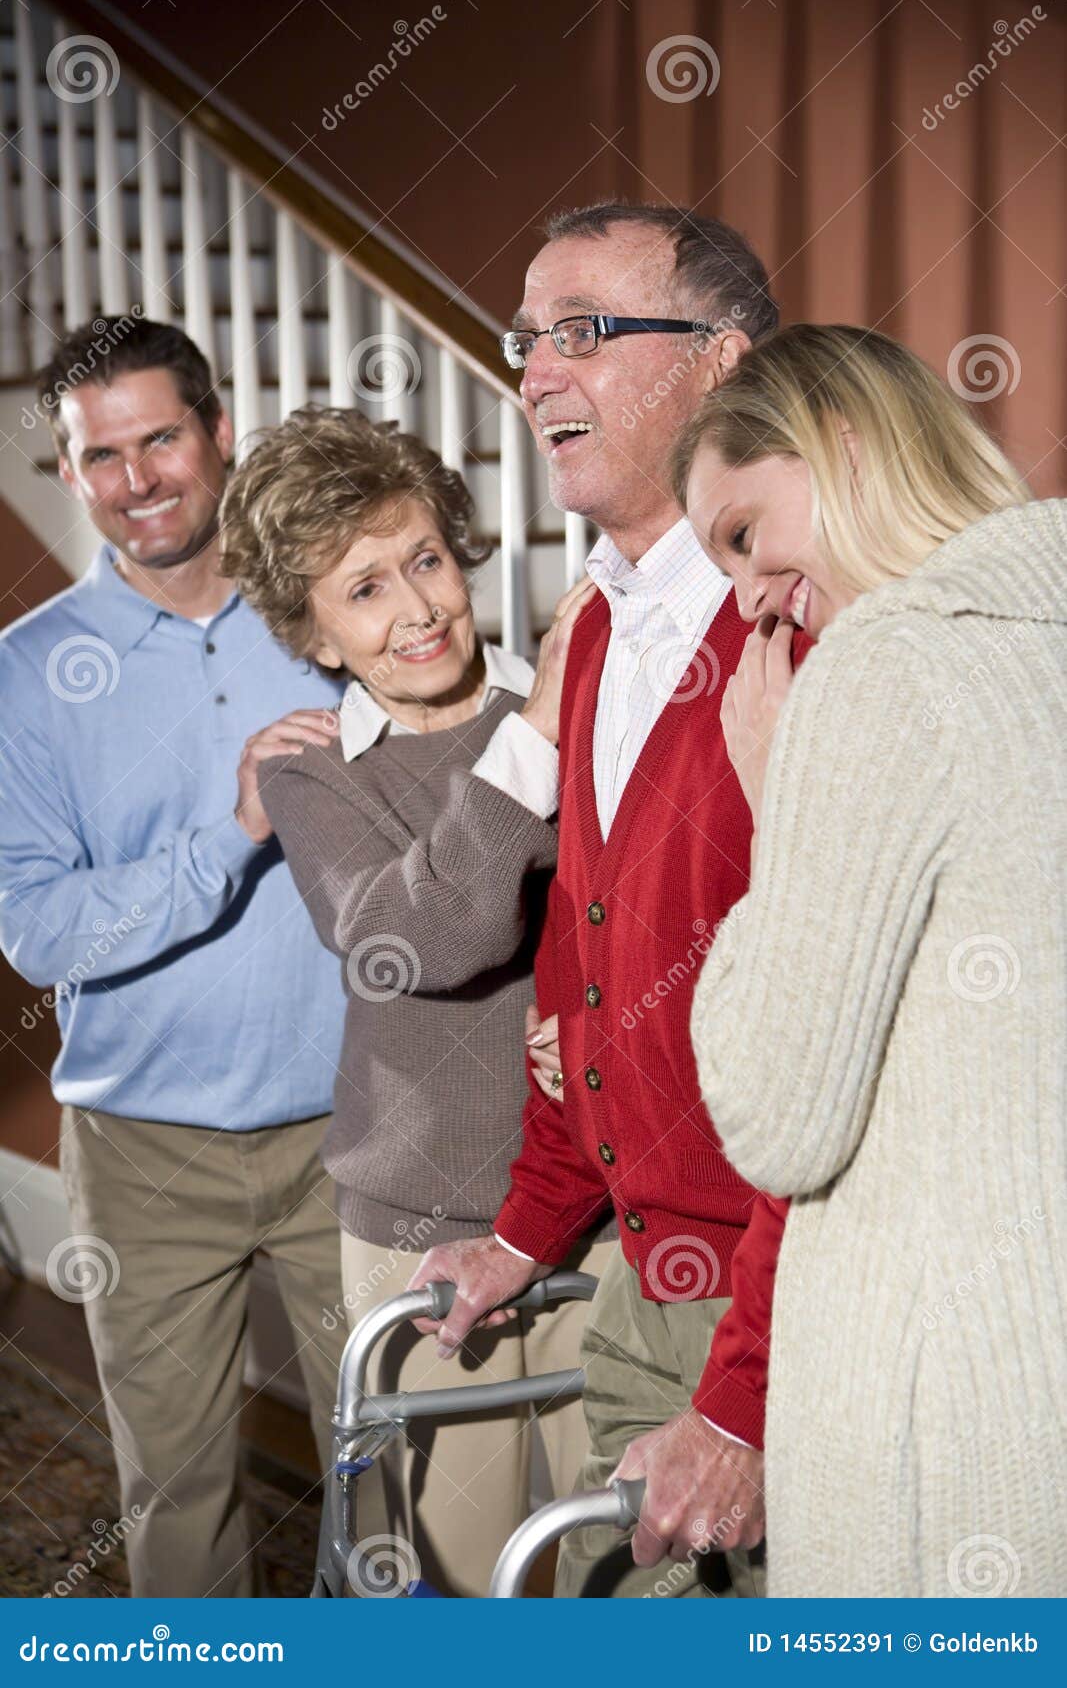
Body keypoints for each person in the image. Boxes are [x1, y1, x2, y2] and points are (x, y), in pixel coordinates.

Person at [410, 201, 801, 1596]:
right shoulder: (595, 621)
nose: (533, 373)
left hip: (780, 1318)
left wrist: (747, 1396)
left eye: (583, 331)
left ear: (718, 360)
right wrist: (527, 1223)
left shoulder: (792, 624)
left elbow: (836, 1061)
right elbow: (590, 978)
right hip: (644, 1287)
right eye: (526, 340)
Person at [681, 322, 1066, 1597]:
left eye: (742, 532)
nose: (743, 593)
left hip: (934, 1428)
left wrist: (774, 798)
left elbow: (777, 1119)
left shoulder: (881, 671)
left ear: (842, 445)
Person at [218, 406, 616, 1597]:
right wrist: (539, 733)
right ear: (317, 637)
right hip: (419, 1230)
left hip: (601, 1216)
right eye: (364, 591)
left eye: (425, 561)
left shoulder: (573, 714)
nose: (417, 610)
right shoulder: (306, 768)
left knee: (601, 1563)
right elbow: (415, 936)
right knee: (452, 1571)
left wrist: (547, 721)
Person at [0, 319, 350, 1597]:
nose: (138, 478)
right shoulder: (25, 678)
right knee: (179, 1494)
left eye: (160, 439)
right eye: (102, 455)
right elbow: (37, 930)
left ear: (216, 436)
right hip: (143, 1150)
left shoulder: (328, 611)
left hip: (351, 1130)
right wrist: (231, 836)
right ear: (72, 473)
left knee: (390, 1470)